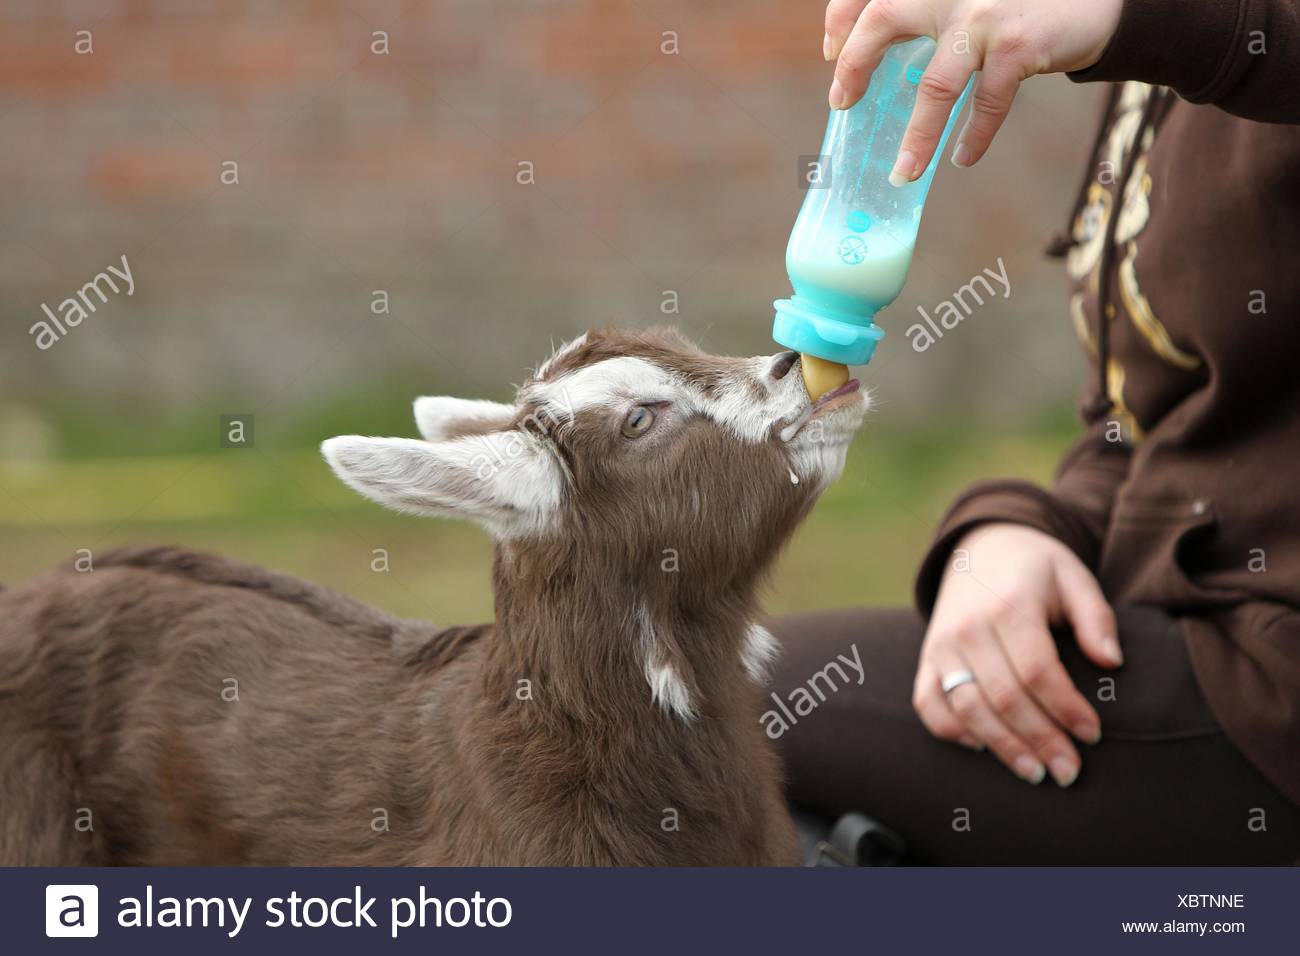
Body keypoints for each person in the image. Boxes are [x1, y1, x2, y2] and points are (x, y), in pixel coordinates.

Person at [770, 0, 1300, 863]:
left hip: (1266, 685)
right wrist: (1019, 527)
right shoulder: (1154, 87)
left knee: (674, 714)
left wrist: (1134, 17)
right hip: (1159, 624)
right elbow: (1144, 411)